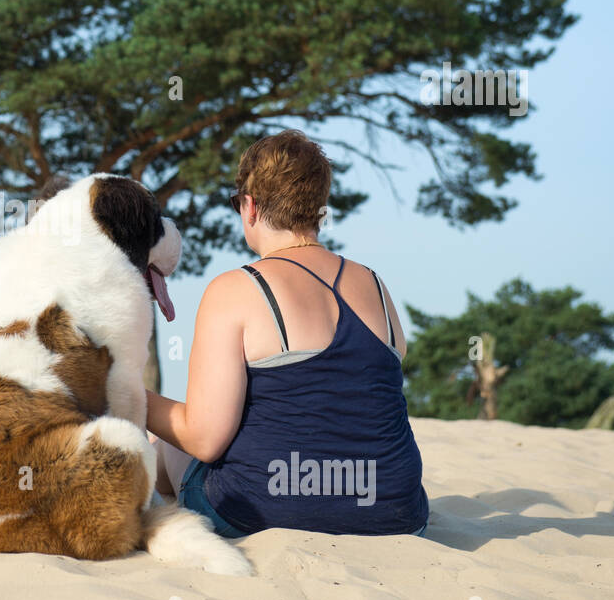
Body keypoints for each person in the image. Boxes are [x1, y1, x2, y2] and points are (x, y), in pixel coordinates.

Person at [145, 130, 429, 538]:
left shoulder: (237, 288)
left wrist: (129, 396)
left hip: (265, 509)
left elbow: (204, 438)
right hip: (396, 514)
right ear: (317, 208)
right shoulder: (375, 285)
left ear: (251, 206)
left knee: (171, 444)